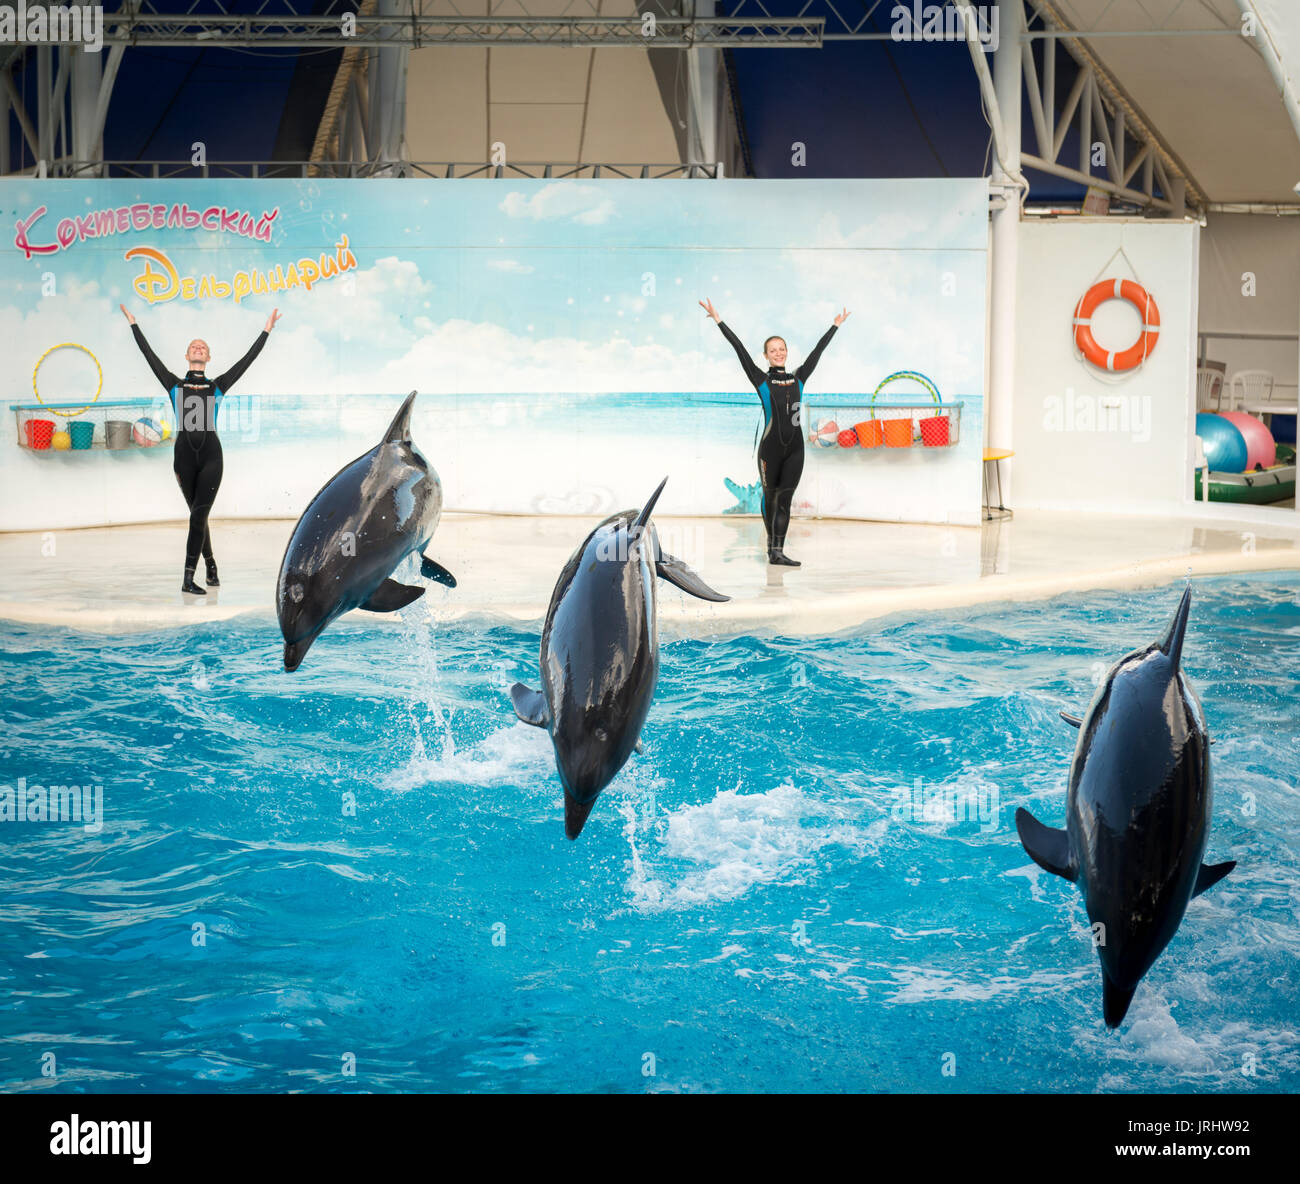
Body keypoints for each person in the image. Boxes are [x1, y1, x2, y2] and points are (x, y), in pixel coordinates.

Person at [120, 303, 280, 594]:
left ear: (207, 357)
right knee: (198, 515)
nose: (198, 347)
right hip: (183, 458)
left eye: (202, 347)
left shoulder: (218, 386)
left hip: (211, 457)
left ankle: (187, 578)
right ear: (187, 355)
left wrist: (266, 331)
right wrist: (134, 325)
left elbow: (247, 361)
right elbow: (148, 356)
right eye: (194, 346)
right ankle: (212, 564)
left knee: (198, 514)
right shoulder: (173, 385)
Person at [700, 299, 850, 566]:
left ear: (786, 352)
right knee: (770, 497)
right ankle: (772, 549)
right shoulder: (762, 380)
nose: (778, 353)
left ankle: (777, 552)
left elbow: (819, 350)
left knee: (785, 499)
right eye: (773, 350)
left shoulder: (799, 377)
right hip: (770, 449)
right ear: (767, 355)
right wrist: (718, 320)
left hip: (795, 449)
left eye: (782, 349)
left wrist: (835, 326)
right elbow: (740, 350)